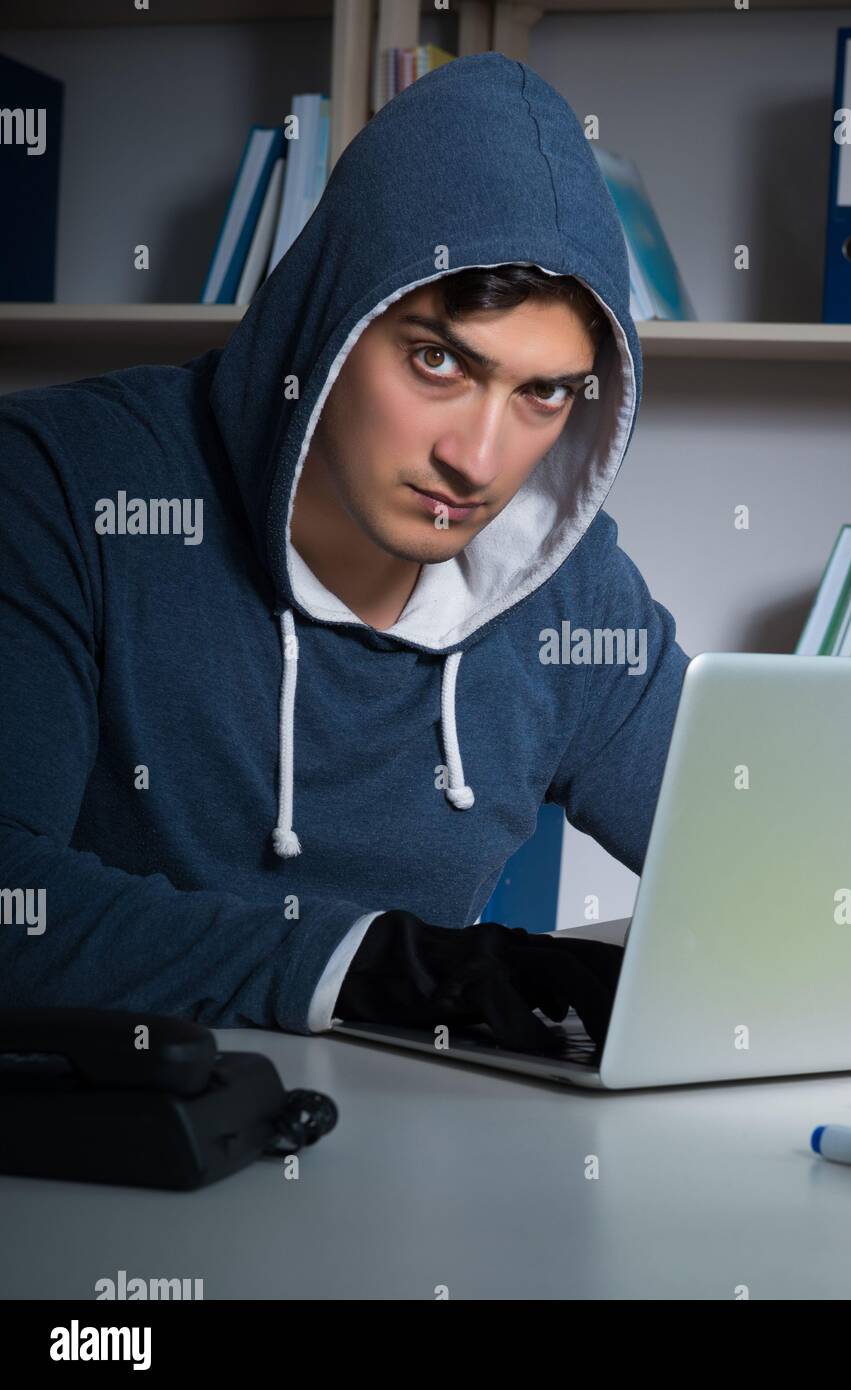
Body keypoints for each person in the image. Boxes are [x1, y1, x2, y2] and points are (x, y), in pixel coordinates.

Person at [0, 53, 689, 1057]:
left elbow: (768, 866)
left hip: (410, 1170)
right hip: (106, 1170)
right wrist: (369, 964)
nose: (477, 460)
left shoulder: (572, 597)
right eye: (438, 360)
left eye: (542, 393)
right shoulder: (61, 484)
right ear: (327, 316)